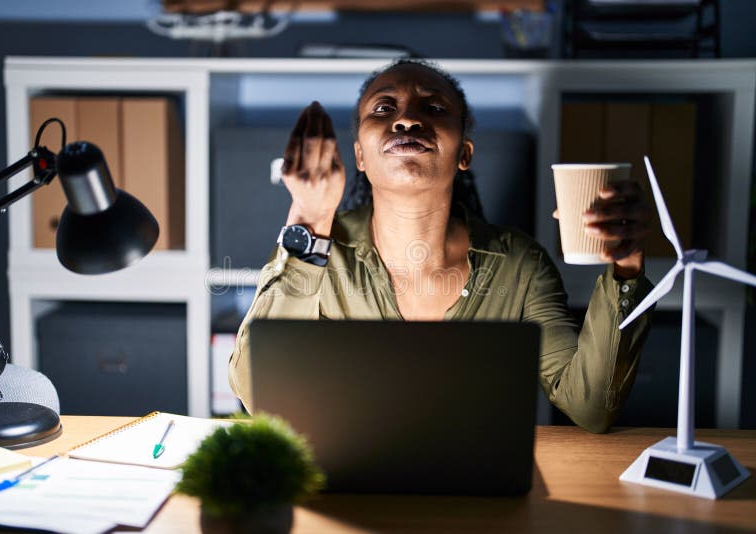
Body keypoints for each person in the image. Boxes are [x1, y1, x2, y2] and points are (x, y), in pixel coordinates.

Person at [229, 59, 654, 433]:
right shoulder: (315, 247)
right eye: (383, 107)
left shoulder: (520, 265)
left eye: (433, 108)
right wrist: (309, 218)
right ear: (359, 156)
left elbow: (592, 408)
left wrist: (628, 267)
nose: (407, 120)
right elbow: (258, 394)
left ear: (463, 154)